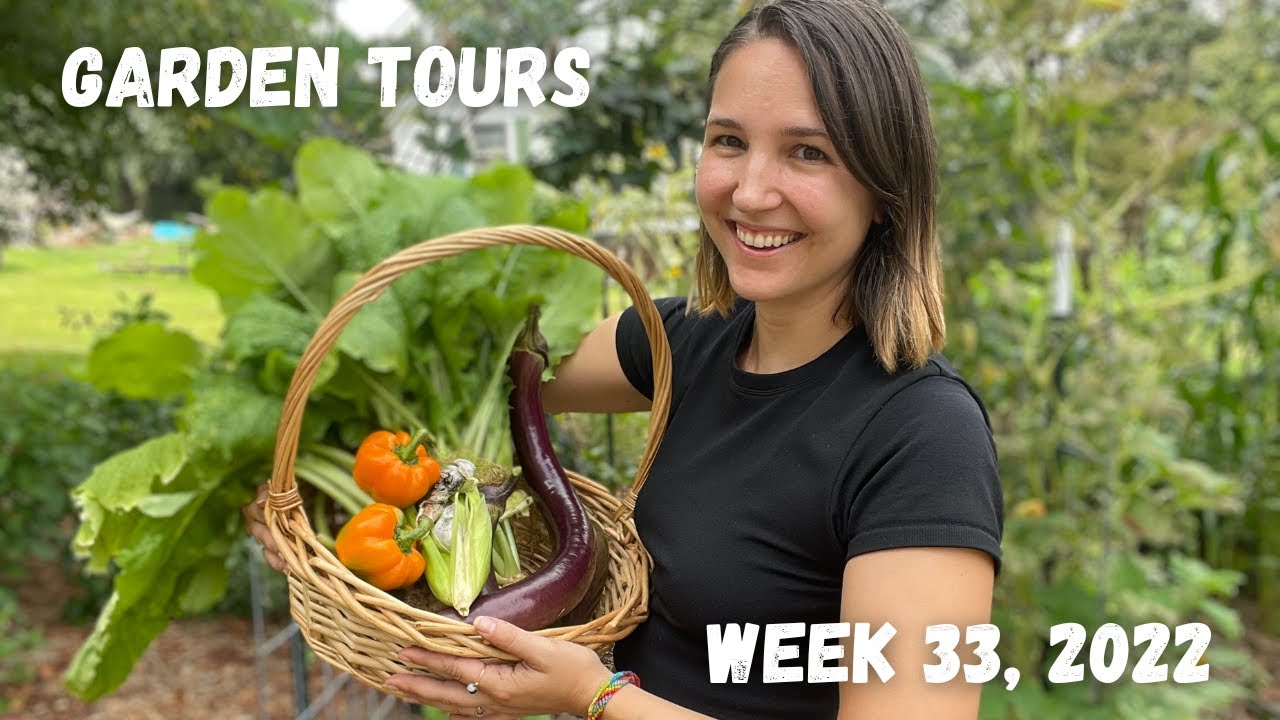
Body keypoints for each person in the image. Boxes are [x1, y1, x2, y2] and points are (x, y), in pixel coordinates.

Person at [244, 1, 1004, 717]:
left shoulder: (923, 438)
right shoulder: (693, 339)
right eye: (729, 140)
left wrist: (598, 697)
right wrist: (320, 508)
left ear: (885, 187)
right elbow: (488, 389)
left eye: (808, 152)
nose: (749, 189)